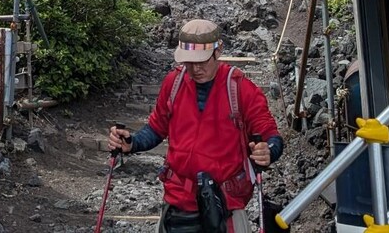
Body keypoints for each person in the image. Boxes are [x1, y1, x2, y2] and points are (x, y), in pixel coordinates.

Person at [107, 19, 283, 233]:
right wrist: (131, 143)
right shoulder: (174, 83)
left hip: (225, 204)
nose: (195, 69)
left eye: (201, 62)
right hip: (179, 200)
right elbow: (156, 128)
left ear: (219, 51)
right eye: (189, 62)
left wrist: (268, 152)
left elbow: (271, 136)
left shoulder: (241, 89)